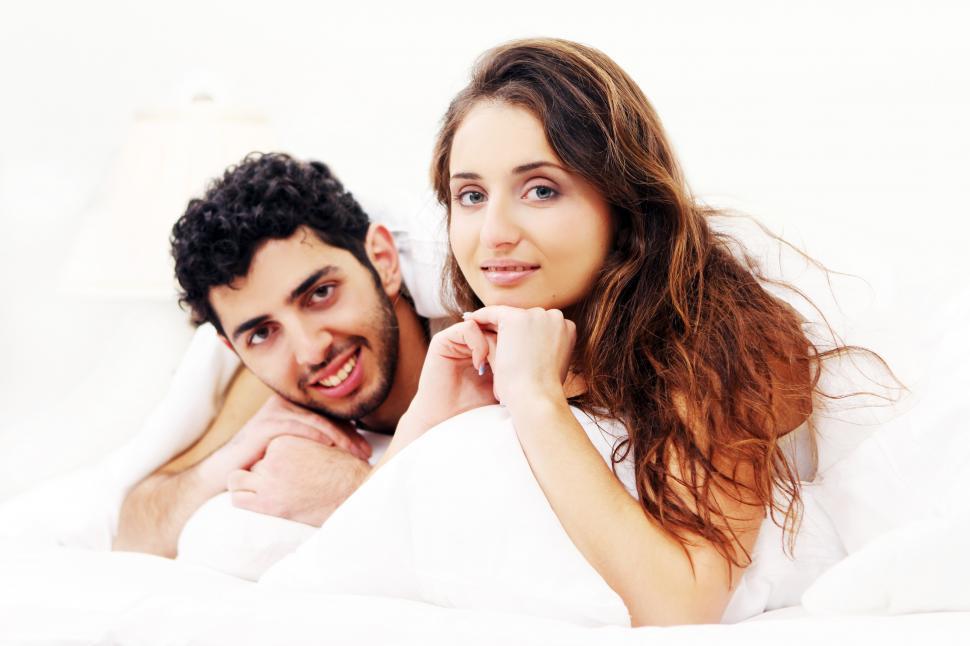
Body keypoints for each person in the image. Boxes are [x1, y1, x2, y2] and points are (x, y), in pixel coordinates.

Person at [372, 38, 887, 626]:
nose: (492, 234)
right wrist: (425, 417)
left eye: (540, 189)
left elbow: (682, 605)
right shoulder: (502, 341)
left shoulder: (713, 335)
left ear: (623, 202)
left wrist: (538, 404)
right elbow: (356, 555)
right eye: (470, 195)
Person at [113, 153, 435, 557]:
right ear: (234, 350)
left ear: (383, 261)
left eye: (320, 293)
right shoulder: (265, 395)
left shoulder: (481, 344)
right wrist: (238, 450)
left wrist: (355, 489)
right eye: (263, 333)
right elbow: (133, 533)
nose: (311, 350)